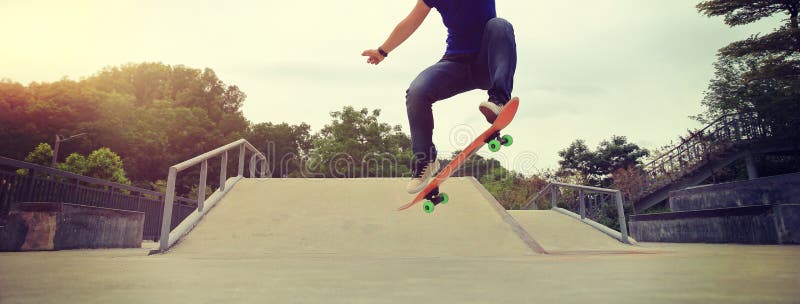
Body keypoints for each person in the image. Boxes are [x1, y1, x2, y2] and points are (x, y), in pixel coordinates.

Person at [362, 0, 517, 194]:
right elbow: (411, 22)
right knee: (417, 92)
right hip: (455, 63)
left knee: (500, 26)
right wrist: (382, 51)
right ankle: (425, 160)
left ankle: (499, 100)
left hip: (485, 64)